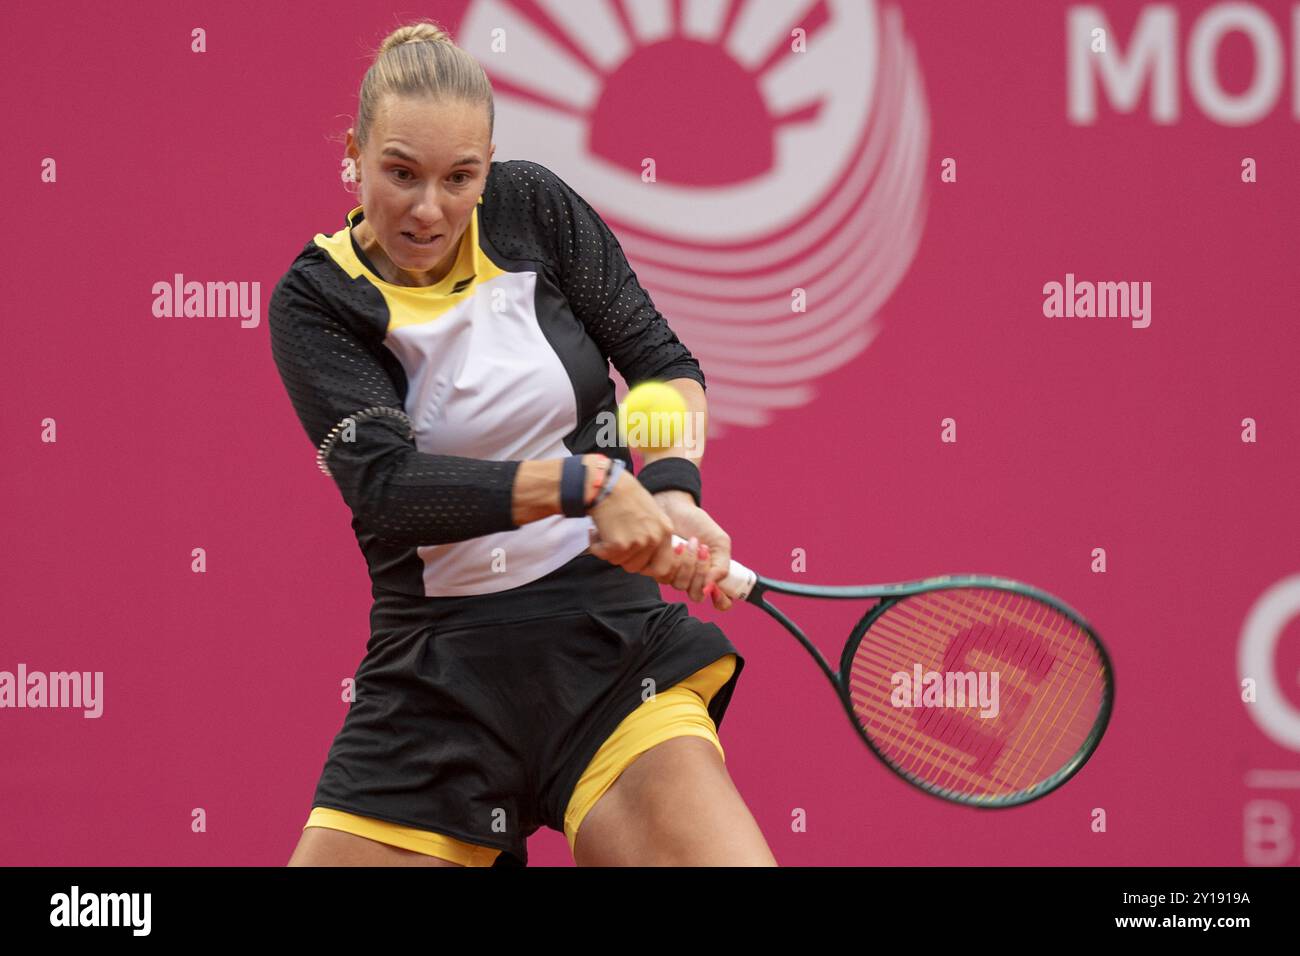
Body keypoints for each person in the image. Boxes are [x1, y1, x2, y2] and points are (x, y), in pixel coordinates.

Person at [269, 20, 775, 867]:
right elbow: (389, 489)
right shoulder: (316, 304)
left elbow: (660, 364)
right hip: (435, 680)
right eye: (401, 173)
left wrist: (675, 488)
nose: (429, 209)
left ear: (489, 164)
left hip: (609, 655)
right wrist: (583, 486)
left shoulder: (533, 208)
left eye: (459, 177)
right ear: (353, 155)